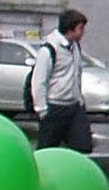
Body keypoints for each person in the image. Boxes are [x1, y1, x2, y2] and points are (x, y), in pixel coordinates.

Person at [32, 9, 93, 154]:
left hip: (74, 107)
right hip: (55, 108)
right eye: (81, 28)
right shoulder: (49, 50)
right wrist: (42, 111)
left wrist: (80, 101)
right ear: (70, 29)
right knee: (46, 151)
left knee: (83, 148)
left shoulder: (75, 46)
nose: (83, 32)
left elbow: (76, 74)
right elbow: (39, 81)